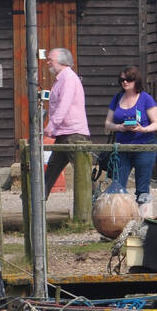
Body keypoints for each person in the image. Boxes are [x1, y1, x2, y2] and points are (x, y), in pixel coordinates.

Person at [103, 65, 157, 218]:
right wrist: (119, 127)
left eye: (129, 79)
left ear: (136, 81)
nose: (125, 82)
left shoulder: (146, 98)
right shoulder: (116, 98)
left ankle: (144, 224)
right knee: (117, 186)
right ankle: (117, 223)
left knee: (142, 188)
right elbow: (107, 124)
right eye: (122, 80)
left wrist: (143, 129)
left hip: (144, 146)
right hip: (122, 148)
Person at [43, 47, 91, 199]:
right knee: (51, 170)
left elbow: (64, 105)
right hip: (63, 134)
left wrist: (50, 127)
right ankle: (36, 205)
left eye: (51, 60)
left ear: (61, 62)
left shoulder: (69, 78)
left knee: (83, 174)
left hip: (74, 134)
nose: (48, 63)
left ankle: (98, 206)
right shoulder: (60, 79)